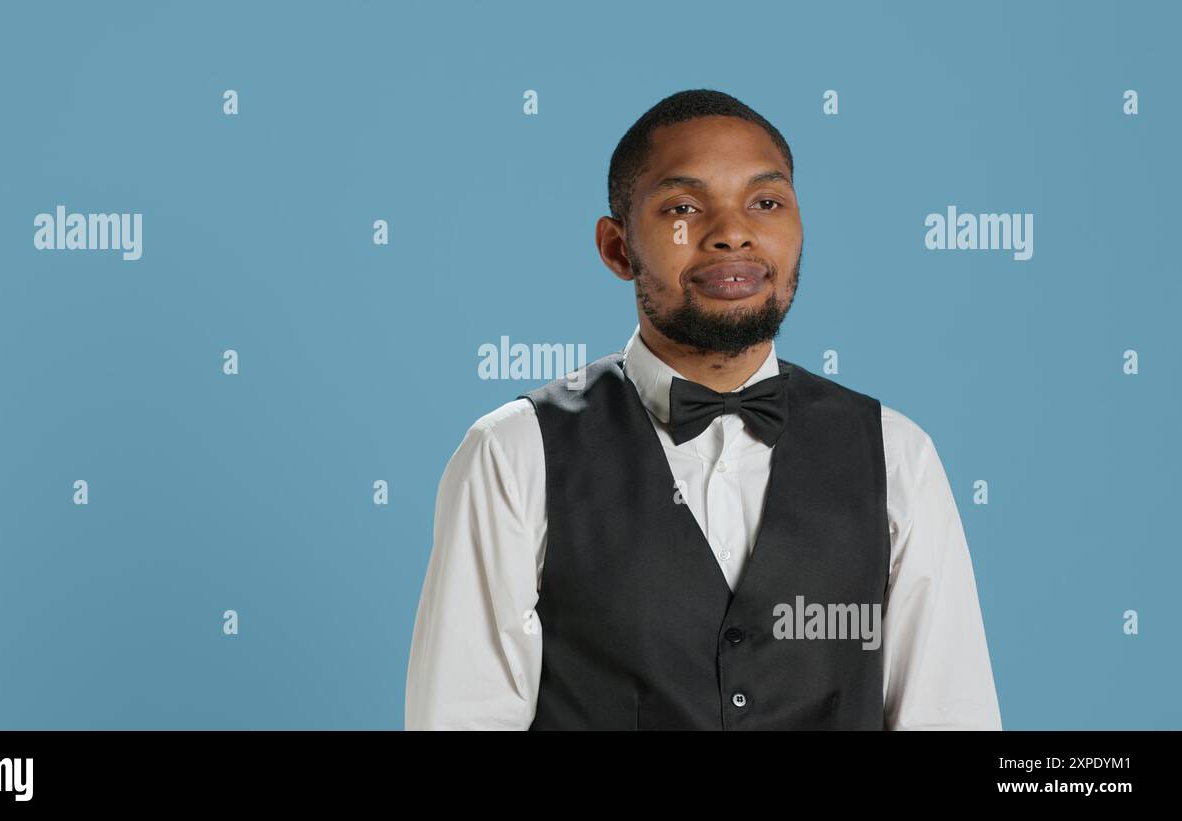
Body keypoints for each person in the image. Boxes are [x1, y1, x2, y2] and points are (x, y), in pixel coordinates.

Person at [405, 88, 1002, 730]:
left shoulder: (896, 453)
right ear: (617, 248)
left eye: (766, 203)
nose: (732, 234)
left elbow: (950, 715)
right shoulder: (512, 453)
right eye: (684, 207)